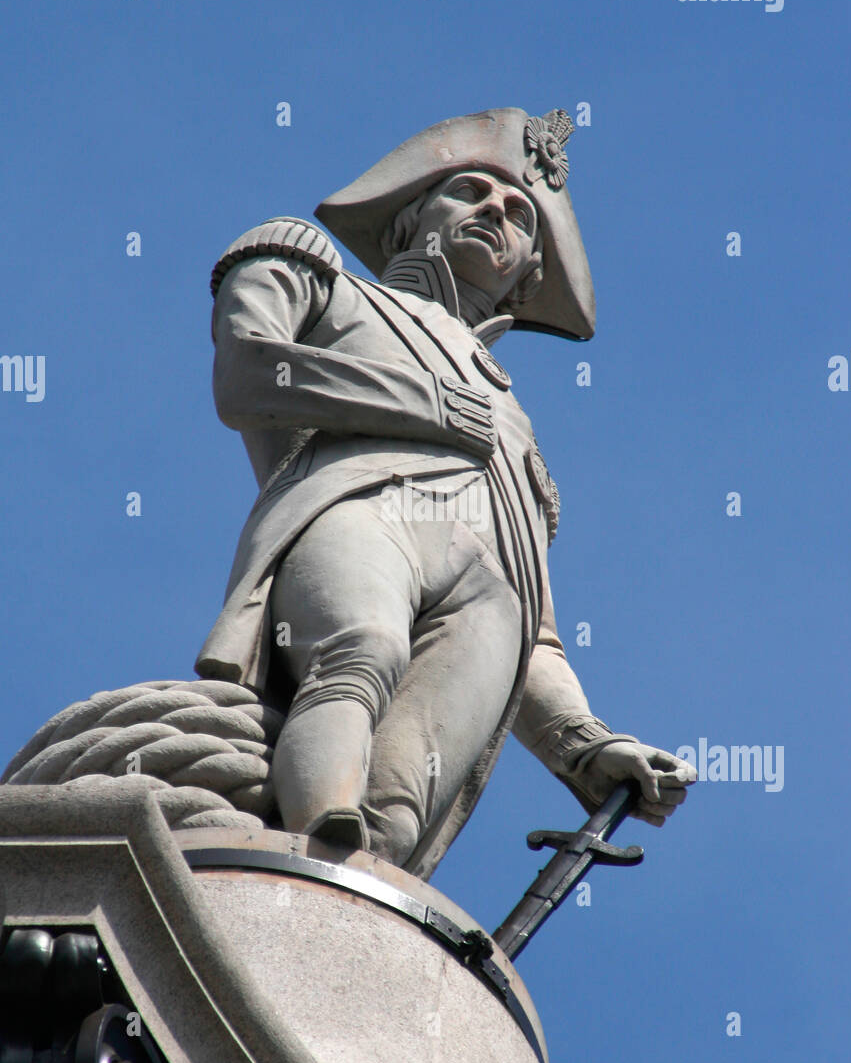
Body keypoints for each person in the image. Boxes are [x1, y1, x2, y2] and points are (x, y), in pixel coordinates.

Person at [196, 108, 695, 877]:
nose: (494, 210)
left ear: (527, 271)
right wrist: (423, 405)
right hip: (363, 509)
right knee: (357, 652)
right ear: (412, 215)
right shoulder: (325, 286)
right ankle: (311, 847)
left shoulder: (519, 431)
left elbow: (538, 633)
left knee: (407, 794)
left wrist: (584, 743)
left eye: (518, 215)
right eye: (469, 191)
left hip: (488, 594)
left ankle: (361, 895)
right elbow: (249, 376)